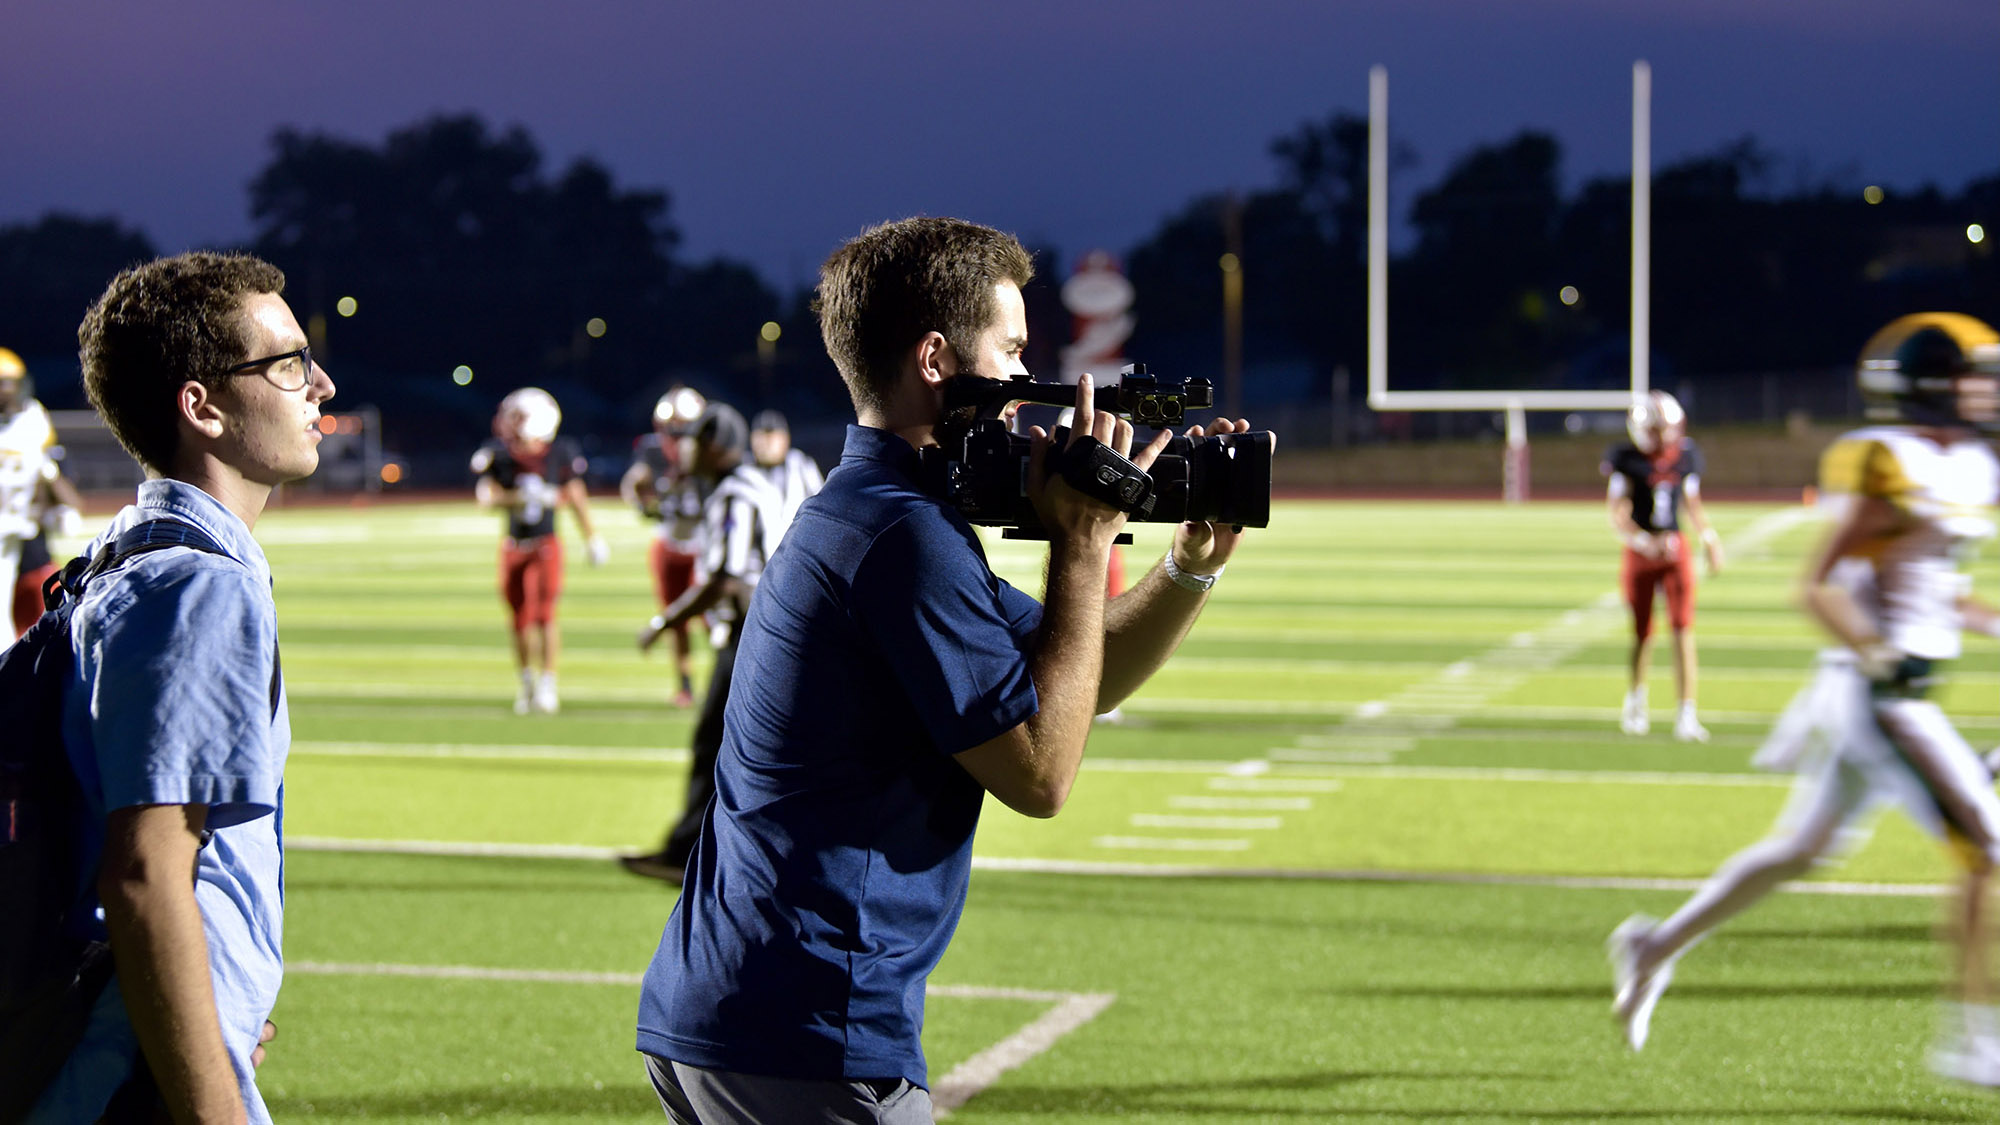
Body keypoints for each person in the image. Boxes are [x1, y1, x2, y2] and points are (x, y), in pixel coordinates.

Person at [634, 216, 1258, 1123]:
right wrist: (1081, 544)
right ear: (937, 359)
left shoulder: (878, 510)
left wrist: (1192, 563)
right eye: (1010, 351)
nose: (1022, 383)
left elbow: (1080, 679)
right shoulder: (905, 539)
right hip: (807, 1030)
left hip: (739, 1013)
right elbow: (1042, 772)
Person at [1607, 312, 2000, 1084]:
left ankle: (1652, 946)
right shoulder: (1893, 460)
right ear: (1934, 388)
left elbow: (1938, 592)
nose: (1986, 391)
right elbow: (1817, 587)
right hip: (1880, 696)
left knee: (1801, 849)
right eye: (1972, 378)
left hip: (1881, 690)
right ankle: (1972, 1036)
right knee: (1988, 847)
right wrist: (1882, 657)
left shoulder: (1971, 466)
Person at [29, 251, 334, 1122]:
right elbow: (145, 871)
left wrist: (222, 998)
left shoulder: (120, 558)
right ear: (201, 406)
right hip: (131, 1081)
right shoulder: (200, 585)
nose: (321, 384)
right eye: (287, 363)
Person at [620, 402, 785, 884]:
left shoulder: (735, 493)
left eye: (690, 438)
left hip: (748, 632)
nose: (682, 448)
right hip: (764, 631)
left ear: (712, 444)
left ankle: (685, 854)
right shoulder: (745, 484)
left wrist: (664, 622)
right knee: (739, 748)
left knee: (712, 742)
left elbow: (726, 579)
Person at [471, 387, 607, 715]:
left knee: (545, 614)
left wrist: (591, 536)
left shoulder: (558, 452)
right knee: (518, 617)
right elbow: (486, 498)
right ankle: (527, 682)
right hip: (513, 544)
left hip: (546, 544)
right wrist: (524, 497)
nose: (509, 423)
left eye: (517, 416)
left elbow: (574, 495)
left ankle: (548, 683)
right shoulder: (499, 454)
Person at [1603, 390, 1724, 741]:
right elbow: (1618, 513)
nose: (1666, 436)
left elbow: (1692, 503)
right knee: (1642, 633)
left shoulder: (1685, 456)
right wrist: (1643, 541)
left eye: (1669, 428)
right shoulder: (1625, 459)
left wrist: (1710, 538)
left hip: (1675, 550)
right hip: (1641, 553)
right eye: (1658, 430)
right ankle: (1636, 701)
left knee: (1683, 629)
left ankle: (1687, 713)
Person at [621, 385, 708, 707]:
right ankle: (685, 684)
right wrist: (643, 503)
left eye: (683, 429)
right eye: (670, 429)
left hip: (705, 545)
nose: (675, 436)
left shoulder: (712, 450)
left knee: (717, 621)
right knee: (675, 619)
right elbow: (633, 482)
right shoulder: (653, 450)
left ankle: (727, 680)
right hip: (669, 541)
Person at [0, 350, 88, 637]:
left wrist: (51, 498)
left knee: (40, 628)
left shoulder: (32, 421)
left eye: (9, 384)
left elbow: (64, 492)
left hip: (27, 543)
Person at [748, 408, 824, 530]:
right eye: (760, 437)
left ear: (785, 439)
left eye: (771, 437)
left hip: (798, 543)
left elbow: (821, 506)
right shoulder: (743, 472)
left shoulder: (801, 465)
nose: (766, 444)